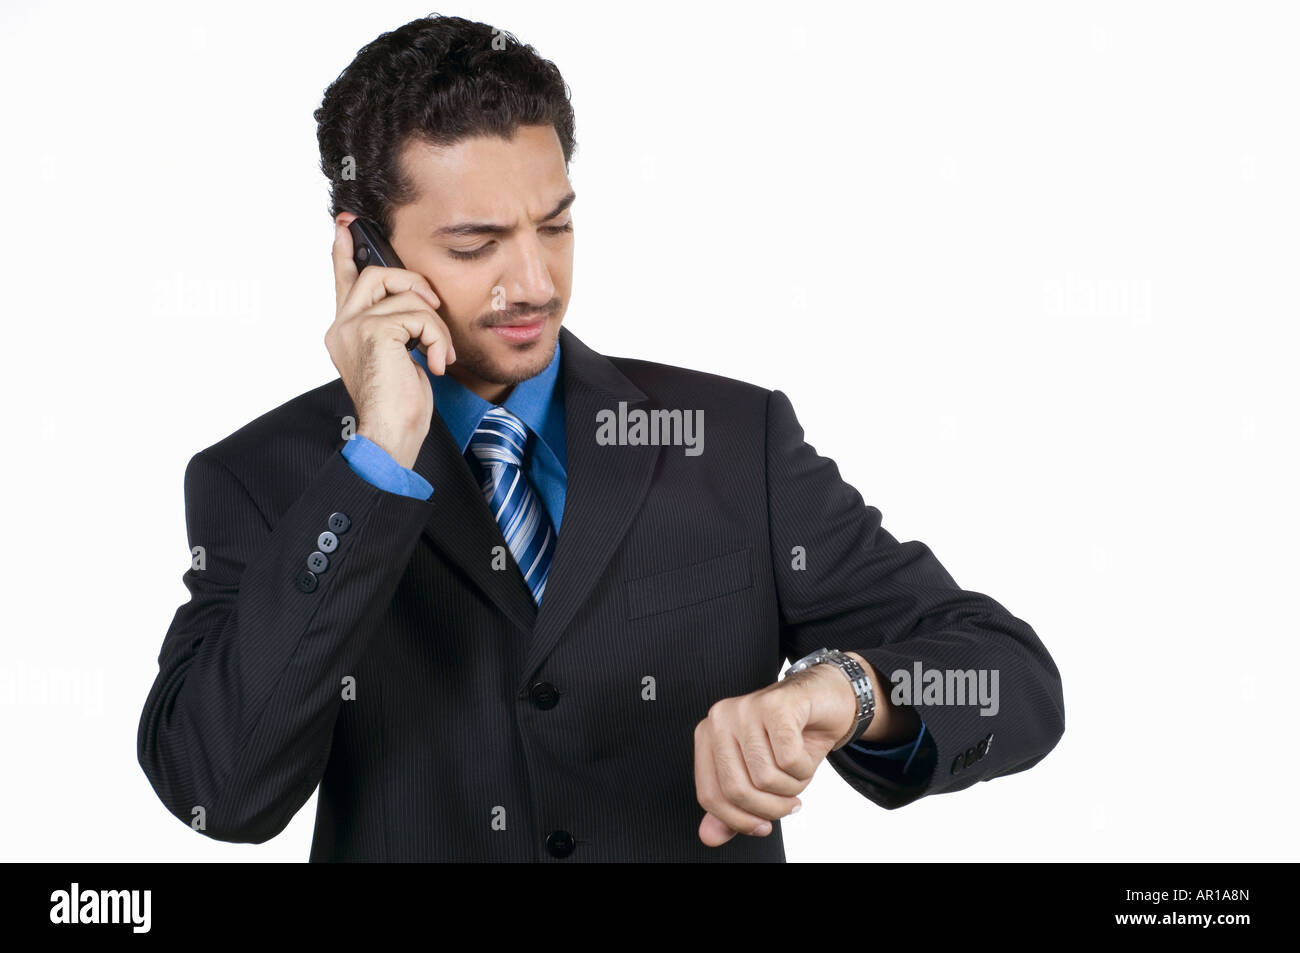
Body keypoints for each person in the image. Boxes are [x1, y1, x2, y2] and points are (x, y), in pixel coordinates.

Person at [137, 13, 1065, 862]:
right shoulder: (265, 476)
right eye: (475, 246)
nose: (533, 282)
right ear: (363, 250)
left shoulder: (733, 439)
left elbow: (1009, 678)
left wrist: (842, 691)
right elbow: (217, 785)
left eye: (557, 224)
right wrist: (378, 456)